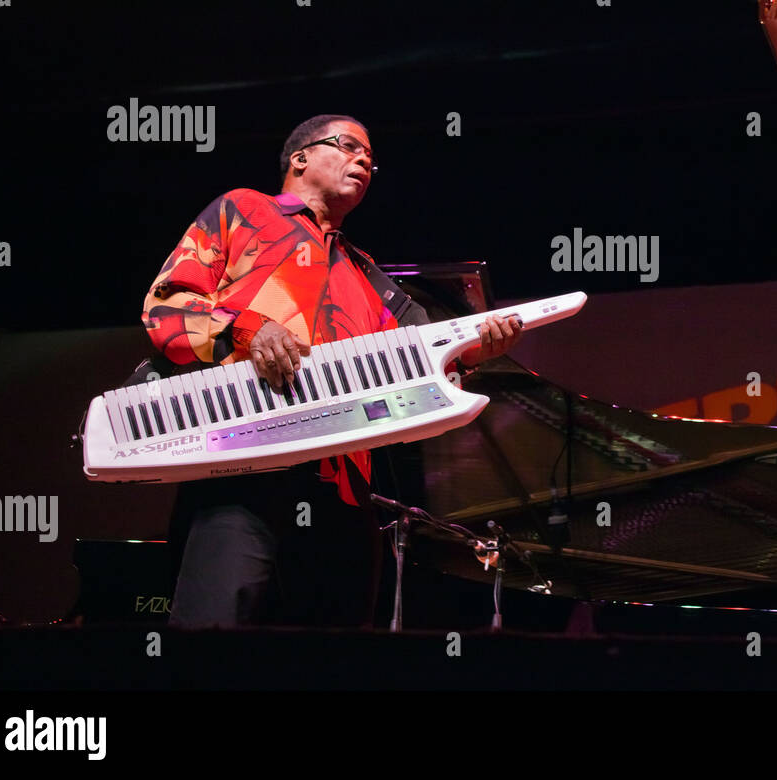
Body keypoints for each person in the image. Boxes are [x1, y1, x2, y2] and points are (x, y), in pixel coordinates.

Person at [142, 114, 522, 628]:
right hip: (243, 462)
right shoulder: (244, 210)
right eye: (348, 146)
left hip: (342, 488)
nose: (364, 160)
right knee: (213, 634)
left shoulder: (367, 274)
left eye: (370, 156)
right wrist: (249, 329)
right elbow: (167, 307)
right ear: (299, 158)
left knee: (338, 654)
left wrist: (476, 350)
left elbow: (423, 358)